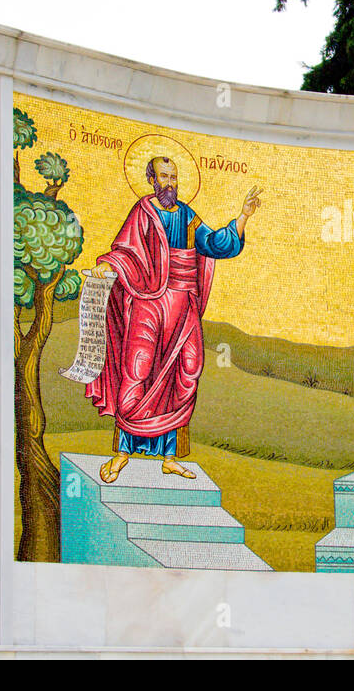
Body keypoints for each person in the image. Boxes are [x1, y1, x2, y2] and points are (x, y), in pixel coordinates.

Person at [84, 156, 262, 482]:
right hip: (148, 300)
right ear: (152, 180)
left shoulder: (187, 216)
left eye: (174, 177)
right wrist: (108, 266)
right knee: (138, 367)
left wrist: (243, 217)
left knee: (188, 369)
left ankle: (169, 455)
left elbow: (214, 243)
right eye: (164, 177)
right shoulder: (143, 213)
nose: (171, 184)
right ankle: (123, 452)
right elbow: (126, 250)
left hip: (183, 302)